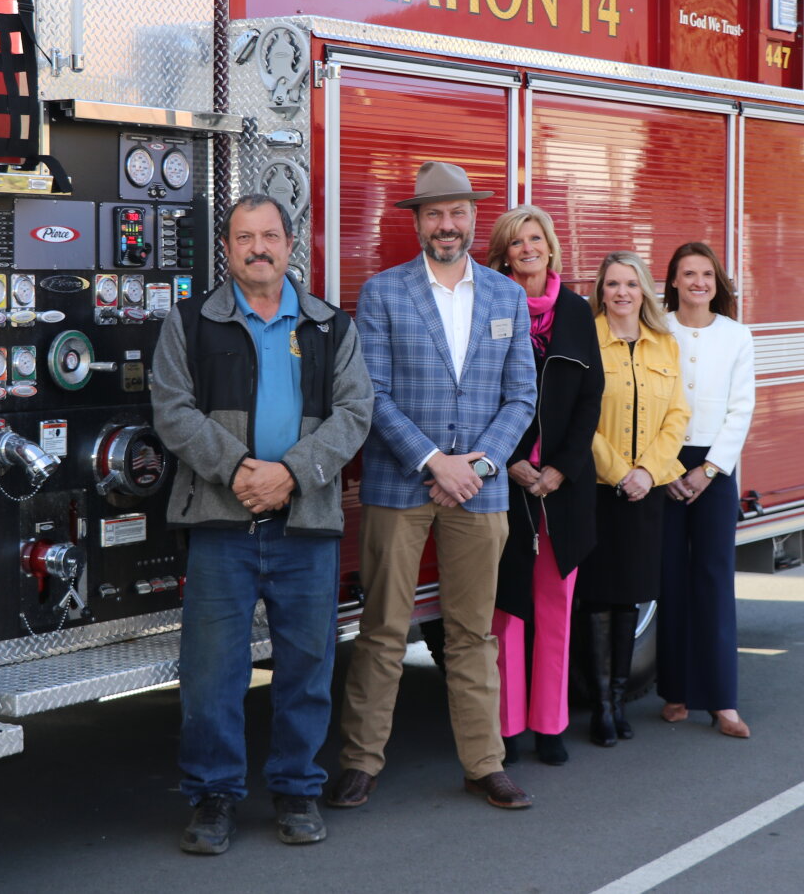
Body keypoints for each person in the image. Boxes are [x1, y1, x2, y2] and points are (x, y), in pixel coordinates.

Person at [151, 194, 373, 854]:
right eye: (244, 237)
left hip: (304, 521)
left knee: (306, 667)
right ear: (226, 249)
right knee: (211, 673)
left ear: (290, 243)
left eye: (269, 235)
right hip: (223, 523)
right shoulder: (189, 323)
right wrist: (242, 467)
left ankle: (298, 790)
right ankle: (213, 797)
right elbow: (171, 409)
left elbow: (356, 411)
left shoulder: (331, 325)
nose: (258, 248)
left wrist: (292, 473)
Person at [329, 161, 538, 810]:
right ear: (416, 221)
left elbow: (522, 395)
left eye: (456, 212)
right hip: (401, 483)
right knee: (383, 628)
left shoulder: (506, 296)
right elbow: (373, 394)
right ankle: (361, 761)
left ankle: (484, 762)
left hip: (481, 490)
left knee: (473, 631)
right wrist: (432, 460)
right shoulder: (385, 292)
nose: (446, 224)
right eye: (433, 213)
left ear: (473, 218)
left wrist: (475, 467)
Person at [483, 206, 603, 767]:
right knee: (505, 609)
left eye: (535, 238)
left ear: (550, 247)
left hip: (561, 488)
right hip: (503, 484)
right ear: (503, 253)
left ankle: (550, 726)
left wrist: (562, 467)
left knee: (556, 607)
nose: (527, 248)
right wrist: (505, 461)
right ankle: (506, 730)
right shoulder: (489, 303)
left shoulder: (578, 311)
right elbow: (477, 393)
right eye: (516, 241)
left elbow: (590, 399)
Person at [578, 252, 689, 747]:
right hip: (601, 490)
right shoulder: (585, 340)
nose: (622, 293)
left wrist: (646, 472)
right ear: (601, 291)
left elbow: (678, 416)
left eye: (631, 284)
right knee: (598, 599)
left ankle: (619, 699)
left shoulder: (666, 345)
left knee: (632, 599)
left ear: (644, 290)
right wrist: (622, 473)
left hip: (648, 490)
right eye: (612, 284)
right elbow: (580, 420)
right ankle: (601, 708)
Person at [658, 241, 756, 738]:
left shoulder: (737, 336)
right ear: (672, 281)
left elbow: (741, 409)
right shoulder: (658, 329)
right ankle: (675, 692)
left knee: (715, 581)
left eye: (706, 274)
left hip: (715, 469)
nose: (698, 282)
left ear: (716, 283)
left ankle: (723, 701)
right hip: (664, 465)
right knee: (670, 579)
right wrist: (668, 467)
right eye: (688, 274)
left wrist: (709, 469)